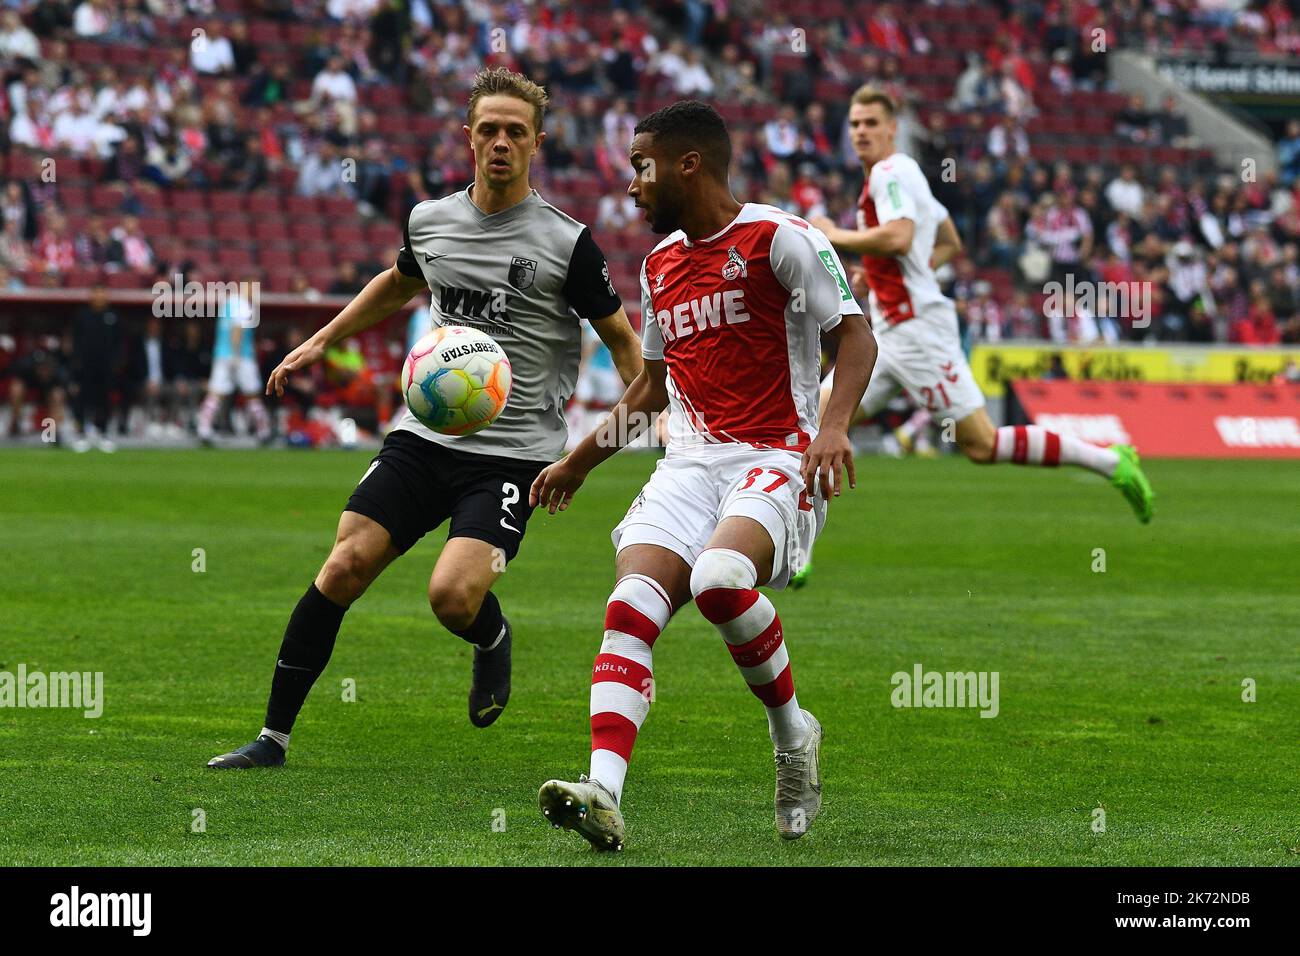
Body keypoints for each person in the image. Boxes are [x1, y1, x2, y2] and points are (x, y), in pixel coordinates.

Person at [207, 68, 642, 769]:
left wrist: (642, 429)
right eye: (488, 130)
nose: (500, 143)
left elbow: (625, 344)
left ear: (537, 143)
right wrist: (322, 339)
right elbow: (401, 281)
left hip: (515, 452)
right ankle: (272, 739)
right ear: (468, 138)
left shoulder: (568, 244)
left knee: (451, 596)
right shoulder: (430, 220)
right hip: (423, 434)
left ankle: (491, 638)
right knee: (345, 564)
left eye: (515, 133)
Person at [531, 100, 877, 849]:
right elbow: (650, 390)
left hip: (775, 455)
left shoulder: (781, 238)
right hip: (686, 464)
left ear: (689, 163)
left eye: (641, 167)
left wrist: (835, 426)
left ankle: (793, 736)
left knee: (720, 580)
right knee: (629, 606)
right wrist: (578, 463)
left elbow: (855, 334)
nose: (632, 187)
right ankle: (604, 793)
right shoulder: (658, 267)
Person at [808, 85, 1154, 527]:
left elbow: (899, 237)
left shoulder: (889, 174)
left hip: (918, 333)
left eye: (871, 123)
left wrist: (832, 234)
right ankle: (797, 550)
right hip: (890, 334)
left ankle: (1111, 462)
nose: (861, 131)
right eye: (855, 124)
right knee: (818, 421)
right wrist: (880, 276)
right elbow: (948, 241)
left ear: (893, 128)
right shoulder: (905, 174)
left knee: (981, 444)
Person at [196, 274, 273, 444]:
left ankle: (203, 429)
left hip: (222, 354)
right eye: (253, 287)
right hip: (241, 357)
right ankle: (264, 431)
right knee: (252, 394)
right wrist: (236, 354)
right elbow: (237, 330)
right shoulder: (243, 305)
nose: (255, 292)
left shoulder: (228, 303)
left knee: (216, 393)